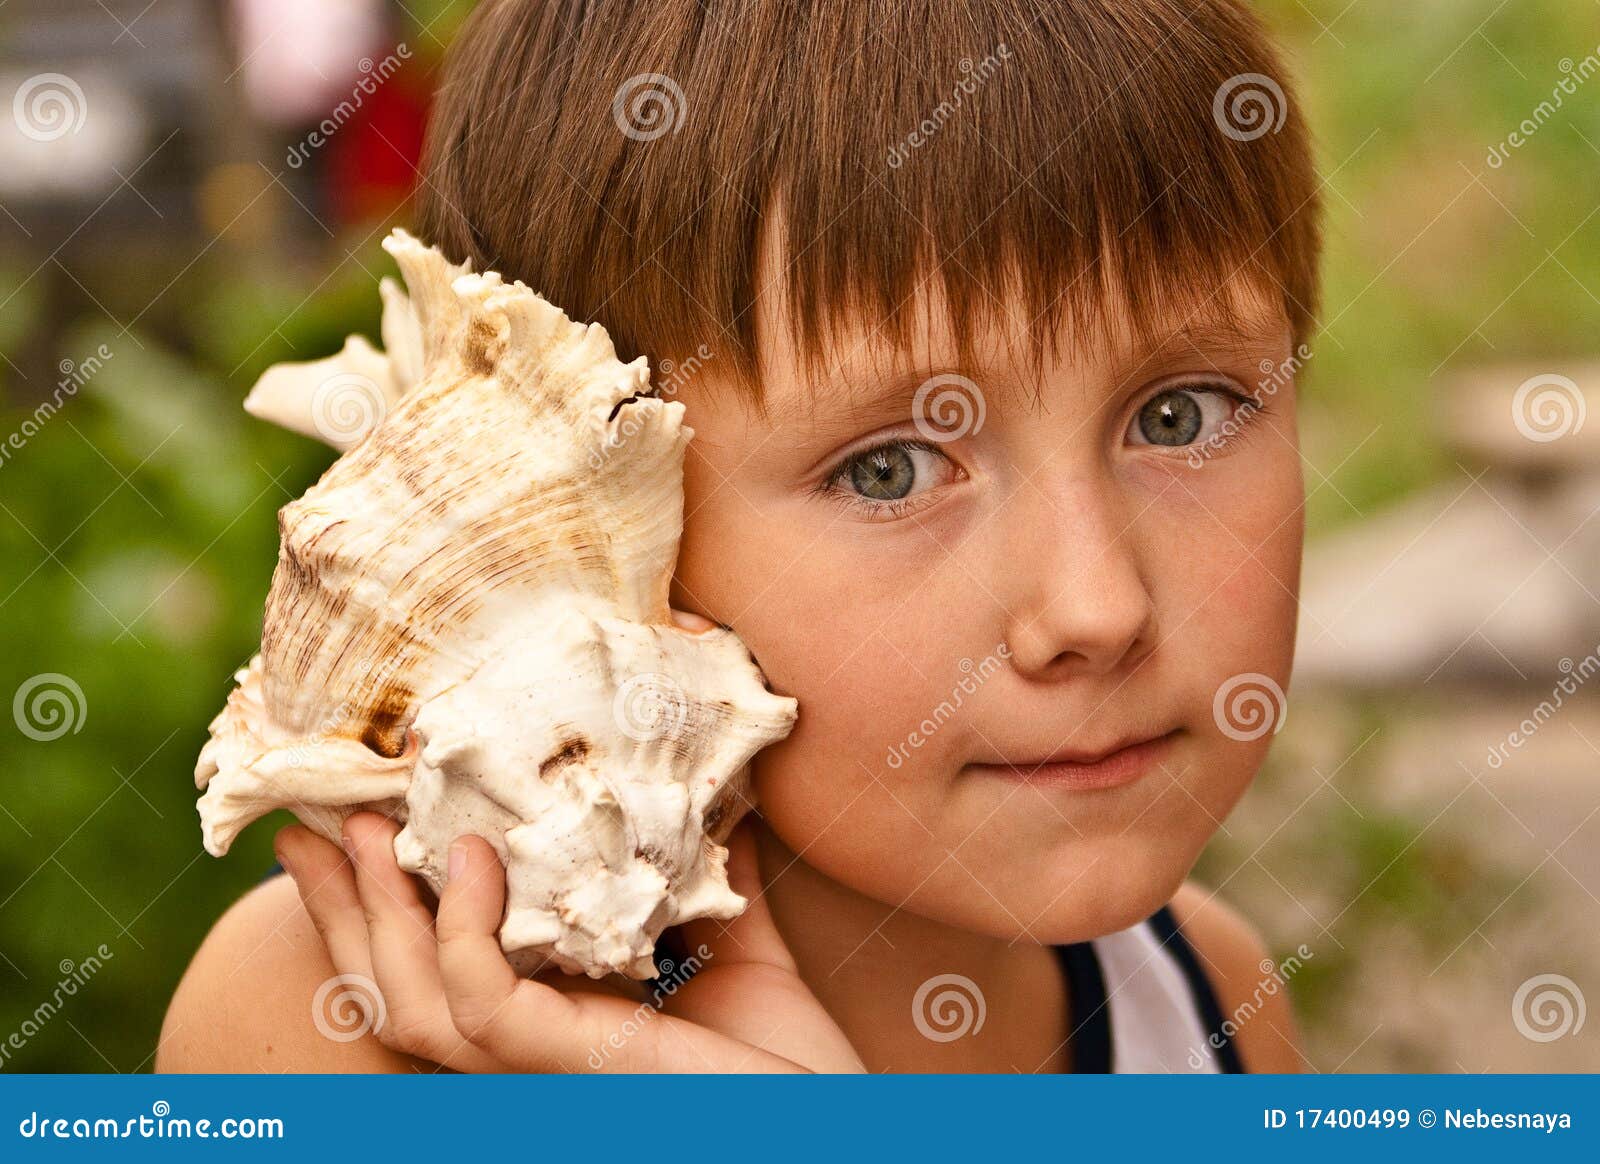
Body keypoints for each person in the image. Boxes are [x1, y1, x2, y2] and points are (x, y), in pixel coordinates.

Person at [159, 0, 1319, 1074]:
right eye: (889, 469)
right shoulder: (328, 1035)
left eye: (1181, 416)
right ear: (589, 520)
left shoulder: (1209, 998)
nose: (1096, 607)